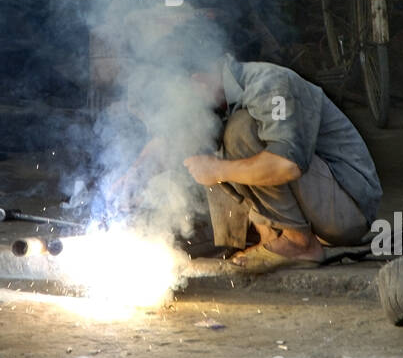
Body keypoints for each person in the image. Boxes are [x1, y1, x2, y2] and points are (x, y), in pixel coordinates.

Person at [119, 22, 382, 274]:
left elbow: (286, 165)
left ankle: (298, 243)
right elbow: (172, 140)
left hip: (347, 210)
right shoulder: (215, 102)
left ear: (196, 79)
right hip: (322, 205)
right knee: (207, 133)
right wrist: (135, 176)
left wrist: (216, 169)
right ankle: (272, 238)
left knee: (239, 130)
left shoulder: (270, 84)